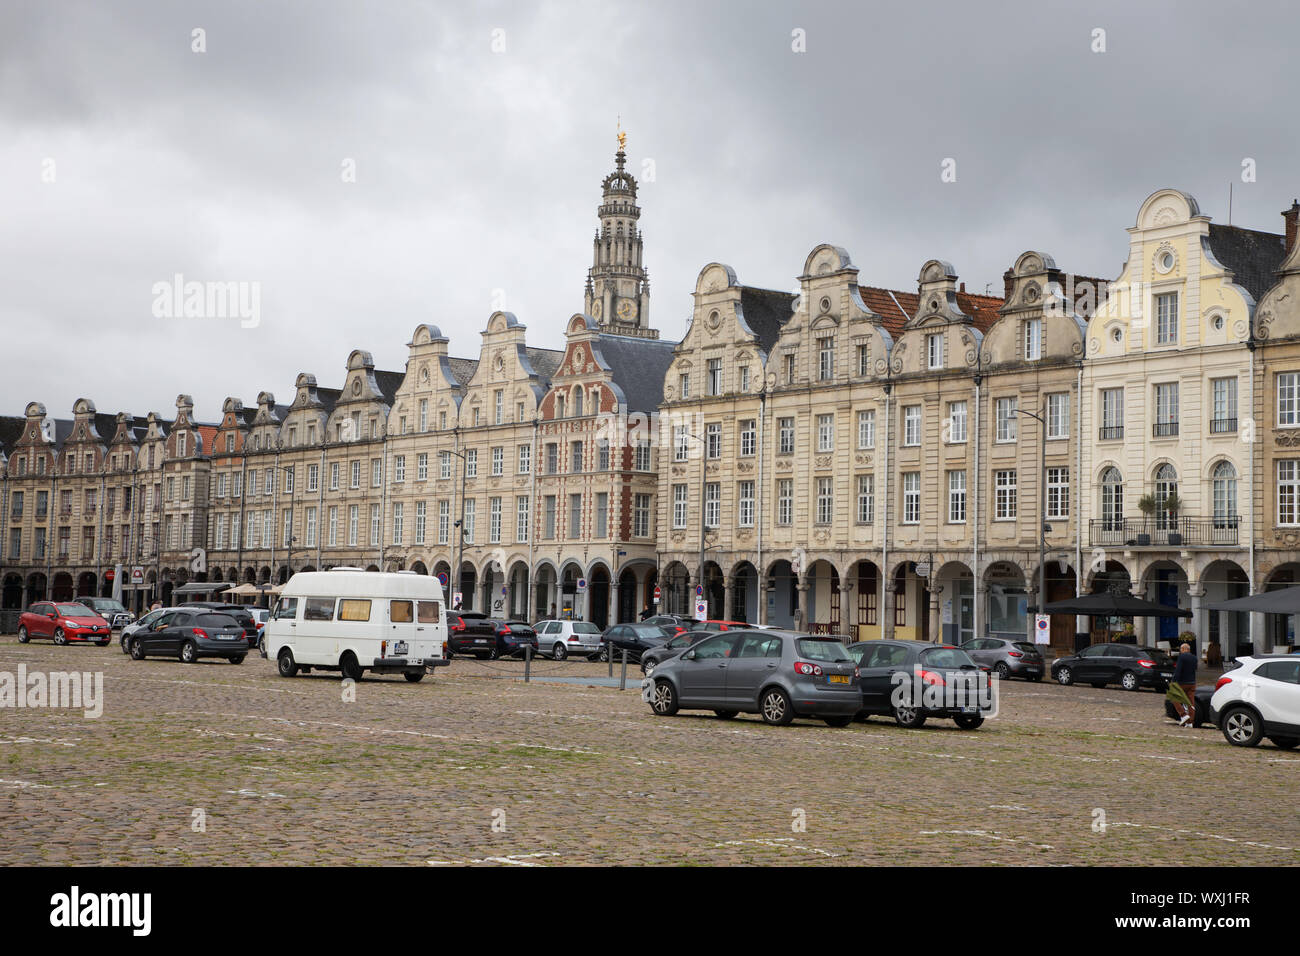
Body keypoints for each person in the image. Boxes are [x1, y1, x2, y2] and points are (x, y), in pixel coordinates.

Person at [1172, 641, 1197, 726]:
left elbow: (1178, 670)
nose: (1180, 651)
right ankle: (1190, 722)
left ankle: (1183, 715)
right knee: (1191, 702)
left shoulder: (1181, 657)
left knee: (1174, 697)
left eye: (1180, 649)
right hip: (1192, 682)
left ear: (1183, 649)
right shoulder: (1194, 658)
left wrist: (1174, 681)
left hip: (1182, 682)